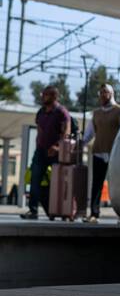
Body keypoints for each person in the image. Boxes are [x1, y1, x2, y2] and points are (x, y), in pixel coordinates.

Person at [20, 86, 71, 219]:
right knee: (35, 179)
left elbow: (66, 133)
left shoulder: (62, 112)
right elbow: (40, 129)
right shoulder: (41, 112)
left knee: (58, 183)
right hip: (41, 152)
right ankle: (33, 211)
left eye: (46, 94)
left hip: (56, 153)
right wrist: (39, 145)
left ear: (54, 96)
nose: (42, 96)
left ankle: (61, 211)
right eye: (43, 94)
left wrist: (57, 147)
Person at [82, 83, 120, 220]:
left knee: (117, 185)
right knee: (96, 184)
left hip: (115, 153)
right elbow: (89, 133)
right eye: (100, 92)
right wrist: (80, 143)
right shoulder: (96, 113)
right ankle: (94, 213)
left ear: (111, 94)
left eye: (105, 92)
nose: (102, 95)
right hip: (99, 152)